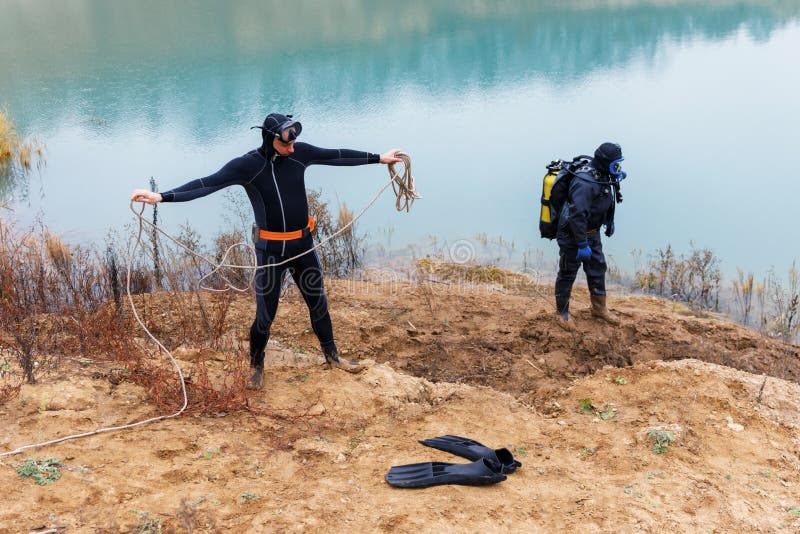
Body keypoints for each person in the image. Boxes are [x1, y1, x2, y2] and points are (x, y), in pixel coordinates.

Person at [131, 113, 403, 388]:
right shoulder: (248, 166)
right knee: (265, 315)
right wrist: (162, 197)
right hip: (271, 253)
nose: (293, 148)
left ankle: (333, 357)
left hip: (303, 248)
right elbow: (207, 183)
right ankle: (256, 367)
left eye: (295, 142)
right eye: (287, 143)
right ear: (271, 138)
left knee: (318, 303)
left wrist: (379, 158)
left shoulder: (299, 154)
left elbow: (337, 155)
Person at [554, 142, 625, 329]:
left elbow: (604, 201)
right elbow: (577, 215)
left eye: (619, 164)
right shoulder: (585, 183)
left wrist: (609, 222)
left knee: (597, 268)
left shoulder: (602, 177)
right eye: (615, 165)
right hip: (573, 234)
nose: (618, 168)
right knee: (568, 272)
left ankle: (599, 309)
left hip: (592, 233)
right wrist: (581, 244)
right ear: (604, 162)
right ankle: (562, 313)